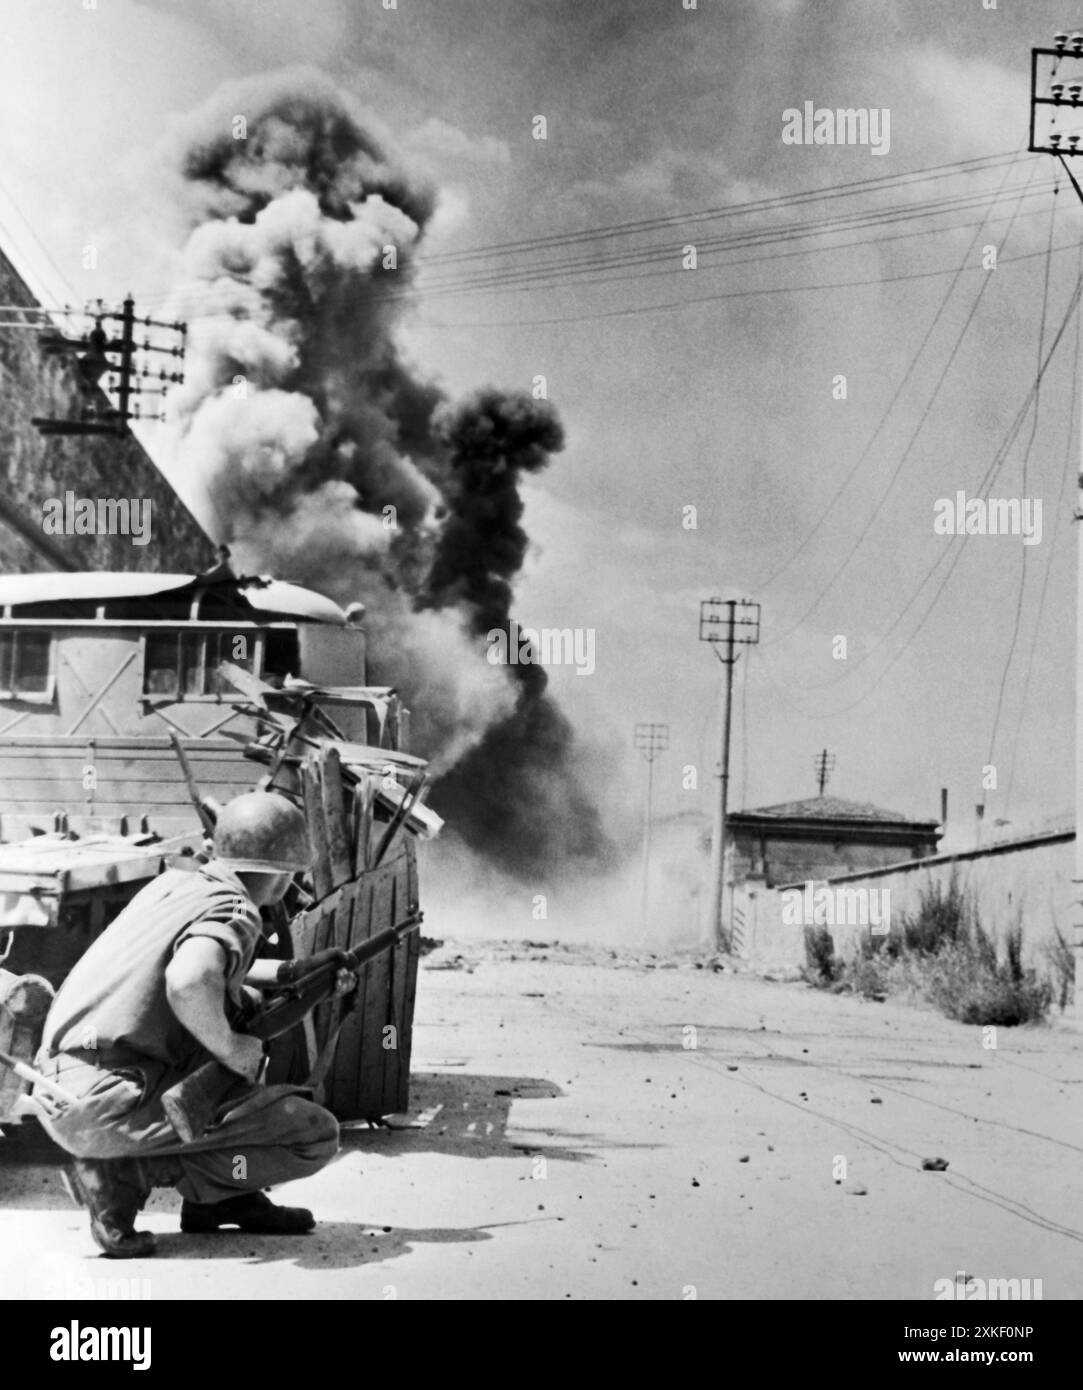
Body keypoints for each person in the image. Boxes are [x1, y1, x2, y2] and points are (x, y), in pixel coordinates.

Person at [33, 791, 351, 1259]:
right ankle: (123, 1178)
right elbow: (189, 980)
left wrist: (291, 973)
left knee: (245, 1011)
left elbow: (193, 967)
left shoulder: (175, 886)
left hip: (60, 1086)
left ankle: (225, 1199)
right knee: (312, 1136)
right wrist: (229, 1047)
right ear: (281, 875)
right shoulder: (237, 910)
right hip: (109, 1101)